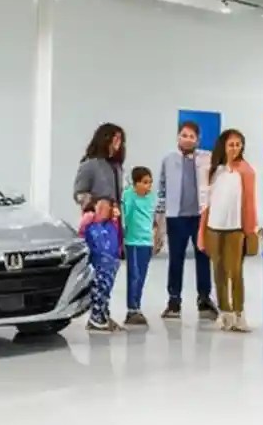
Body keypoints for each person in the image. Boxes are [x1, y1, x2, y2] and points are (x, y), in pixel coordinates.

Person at [155, 121, 219, 320]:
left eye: (192, 136)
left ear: (197, 139)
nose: (188, 139)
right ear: (178, 137)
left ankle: (204, 299)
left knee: (203, 257)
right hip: (176, 217)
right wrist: (158, 217)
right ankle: (174, 300)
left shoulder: (207, 158)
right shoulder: (168, 159)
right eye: (184, 135)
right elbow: (162, 189)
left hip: (200, 216)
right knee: (176, 258)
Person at [198, 129, 258, 332]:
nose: (235, 148)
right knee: (219, 272)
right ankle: (225, 313)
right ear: (223, 145)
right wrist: (202, 231)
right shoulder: (215, 170)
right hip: (214, 227)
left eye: (238, 144)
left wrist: (250, 230)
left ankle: (239, 313)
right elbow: (206, 202)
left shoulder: (246, 171)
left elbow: (249, 202)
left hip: (235, 229)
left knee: (235, 272)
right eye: (231, 144)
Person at [79, 197, 124, 332]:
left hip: (111, 263)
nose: (101, 210)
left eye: (106, 207)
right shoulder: (89, 223)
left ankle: (103, 315)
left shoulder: (112, 225)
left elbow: (118, 240)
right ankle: (96, 317)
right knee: (98, 288)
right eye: (99, 206)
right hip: (98, 263)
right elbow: (81, 237)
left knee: (106, 290)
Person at [121, 166, 159, 327]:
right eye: (144, 182)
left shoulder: (151, 198)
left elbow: (153, 218)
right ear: (135, 183)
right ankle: (132, 309)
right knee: (134, 275)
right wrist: (122, 237)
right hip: (133, 242)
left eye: (150, 182)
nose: (148, 186)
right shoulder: (128, 195)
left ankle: (137, 306)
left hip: (146, 242)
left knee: (141, 277)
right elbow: (125, 216)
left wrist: (156, 237)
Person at [74, 123, 126, 214]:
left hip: (116, 218)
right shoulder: (90, 164)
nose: (118, 142)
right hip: (96, 219)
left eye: (120, 139)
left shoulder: (117, 167)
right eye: (115, 138)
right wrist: (95, 203)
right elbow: (79, 193)